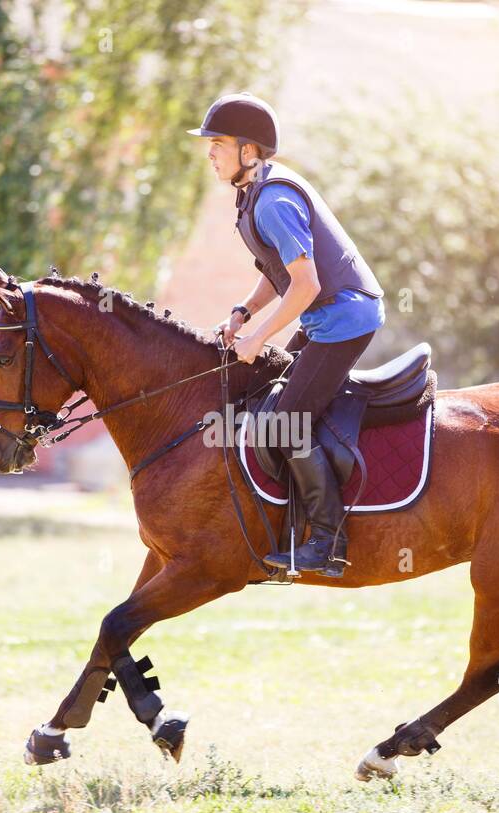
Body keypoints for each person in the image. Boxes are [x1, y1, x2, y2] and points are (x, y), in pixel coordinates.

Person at [187, 92, 386, 577]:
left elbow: (308, 283)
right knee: (265, 396)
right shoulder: (253, 193)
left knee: (287, 420)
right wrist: (243, 313)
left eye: (218, 144)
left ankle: (327, 541)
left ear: (248, 152)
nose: (210, 153)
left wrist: (259, 338)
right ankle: (284, 528)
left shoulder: (273, 200)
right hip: (324, 318)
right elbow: (277, 271)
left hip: (346, 319)